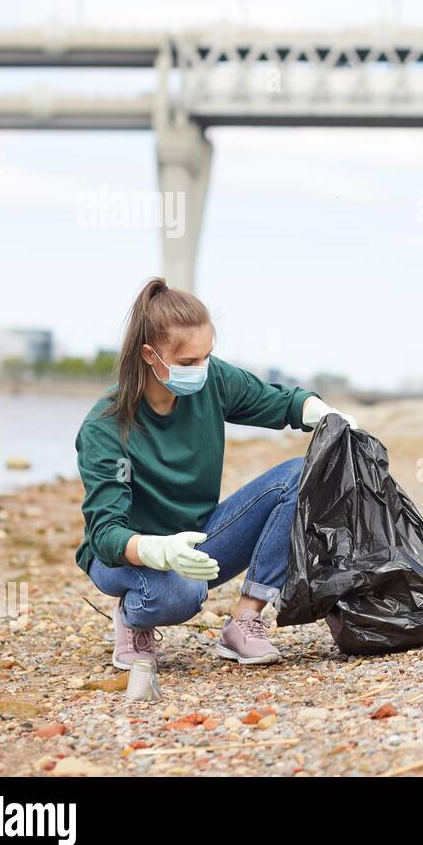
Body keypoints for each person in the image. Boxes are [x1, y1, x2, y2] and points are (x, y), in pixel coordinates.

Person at [75, 278, 360, 669]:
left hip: (197, 538)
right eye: (188, 363)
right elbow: (104, 534)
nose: (201, 369)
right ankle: (133, 617)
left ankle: (244, 621)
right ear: (148, 355)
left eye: (206, 356)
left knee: (298, 476)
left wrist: (320, 412)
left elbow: (279, 402)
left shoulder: (213, 382)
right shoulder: (105, 428)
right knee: (182, 593)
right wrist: (159, 550)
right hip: (127, 555)